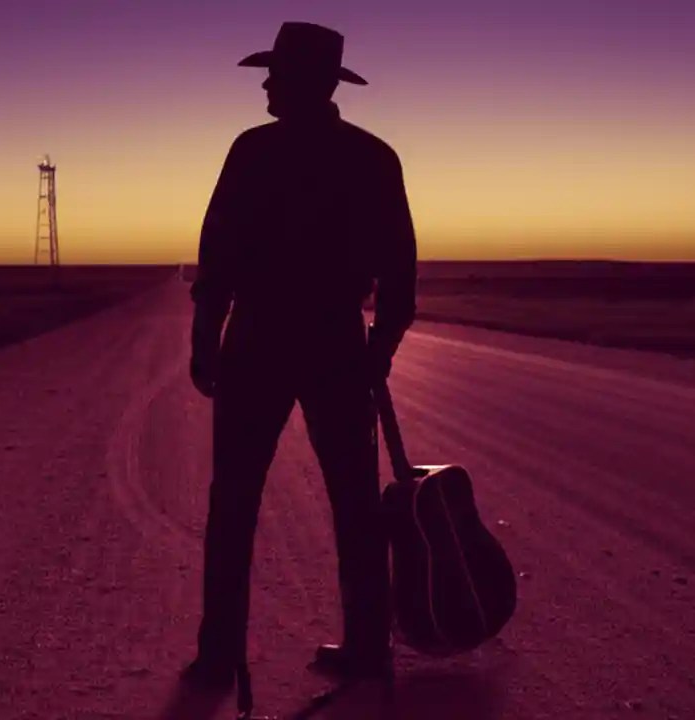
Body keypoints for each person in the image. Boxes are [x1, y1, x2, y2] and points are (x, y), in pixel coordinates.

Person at [182, 21, 418, 690]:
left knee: (234, 501)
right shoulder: (373, 157)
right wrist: (379, 350)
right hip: (335, 341)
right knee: (353, 501)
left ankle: (220, 655)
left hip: (258, 339)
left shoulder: (252, 151)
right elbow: (400, 271)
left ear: (302, 83)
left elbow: (217, 254)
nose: (264, 85)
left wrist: (206, 336)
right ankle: (367, 649)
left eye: (275, 75)